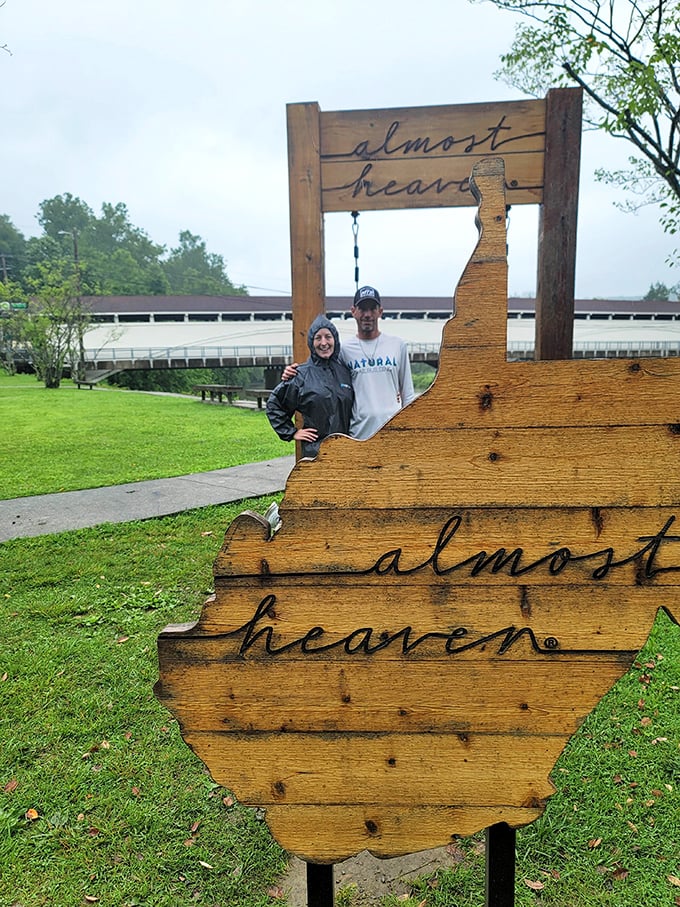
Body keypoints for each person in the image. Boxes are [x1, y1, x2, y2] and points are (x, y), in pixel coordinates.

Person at [282, 286, 415, 440]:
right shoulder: (343, 350)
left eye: (372, 309)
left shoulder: (398, 345)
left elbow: (408, 394)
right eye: (362, 309)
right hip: (357, 434)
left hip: (394, 432)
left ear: (380, 312)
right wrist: (294, 373)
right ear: (353, 311)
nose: (367, 314)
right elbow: (320, 369)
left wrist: (408, 428)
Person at [266, 314, 353, 458]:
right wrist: (292, 432)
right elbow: (274, 405)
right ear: (311, 342)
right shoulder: (300, 375)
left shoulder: (345, 372)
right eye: (318, 338)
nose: (323, 343)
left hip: (346, 451)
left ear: (335, 340)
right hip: (315, 453)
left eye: (328, 337)